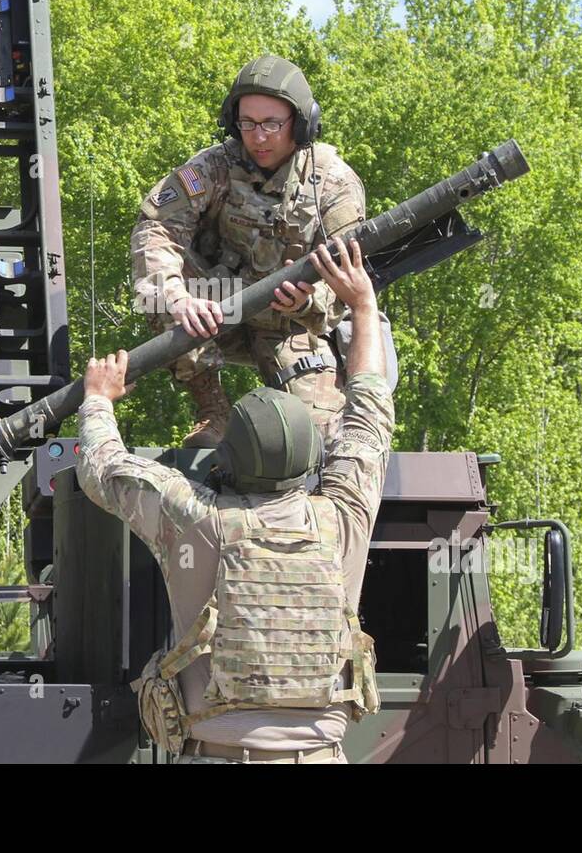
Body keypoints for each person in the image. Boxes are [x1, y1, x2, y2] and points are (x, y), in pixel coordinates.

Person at [78, 236, 393, 764]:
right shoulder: (344, 515)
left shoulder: (198, 518)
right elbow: (369, 403)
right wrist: (363, 306)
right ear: (312, 456)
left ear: (226, 459)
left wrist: (97, 399)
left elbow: (104, 469)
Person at [131, 55, 372, 447]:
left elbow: (350, 284)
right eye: (247, 123)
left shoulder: (335, 185)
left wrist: (309, 302)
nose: (258, 136)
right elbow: (155, 227)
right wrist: (176, 298)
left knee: (320, 440)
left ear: (302, 122)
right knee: (155, 293)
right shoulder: (214, 166)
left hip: (290, 323)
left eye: (271, 124)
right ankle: (214, 412)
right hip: (213, 305)